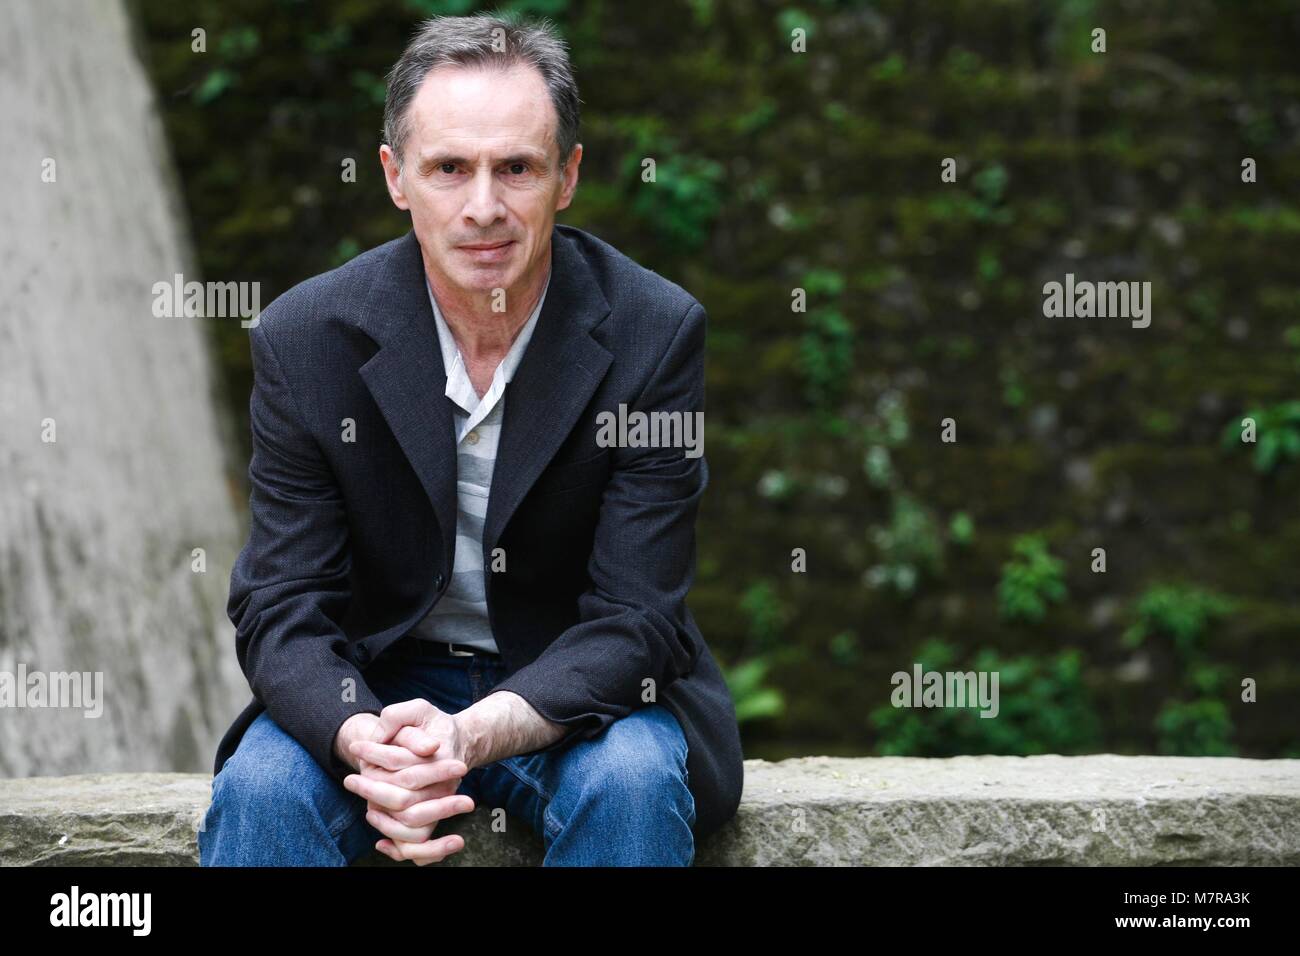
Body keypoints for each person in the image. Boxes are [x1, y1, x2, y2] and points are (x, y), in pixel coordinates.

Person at [199, 12, 743, 867]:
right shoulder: (305, 339)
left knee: (632, 784)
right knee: (262, 791)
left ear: (566, 178)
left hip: (574, 697)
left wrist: (470, 733)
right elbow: (281, 604)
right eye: (450, 167)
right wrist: (360, 736)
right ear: (396, 176)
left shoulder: (655, 332)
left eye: (516, 168)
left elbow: (640, 617)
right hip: (377, 686)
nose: (483, 208)